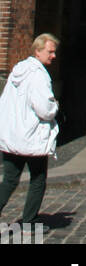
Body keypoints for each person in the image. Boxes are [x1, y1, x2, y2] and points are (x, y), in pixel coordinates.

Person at [0, 33, 60, 226]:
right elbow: (45, 109)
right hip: (32, 137)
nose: (53, 56)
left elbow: (5, 102)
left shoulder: (17, 71)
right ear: (37, 50)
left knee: (9, 180)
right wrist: (55, 106)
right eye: (50, 52)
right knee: (38, 179)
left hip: (13, 137)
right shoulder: (39, 76)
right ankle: (29, 221)